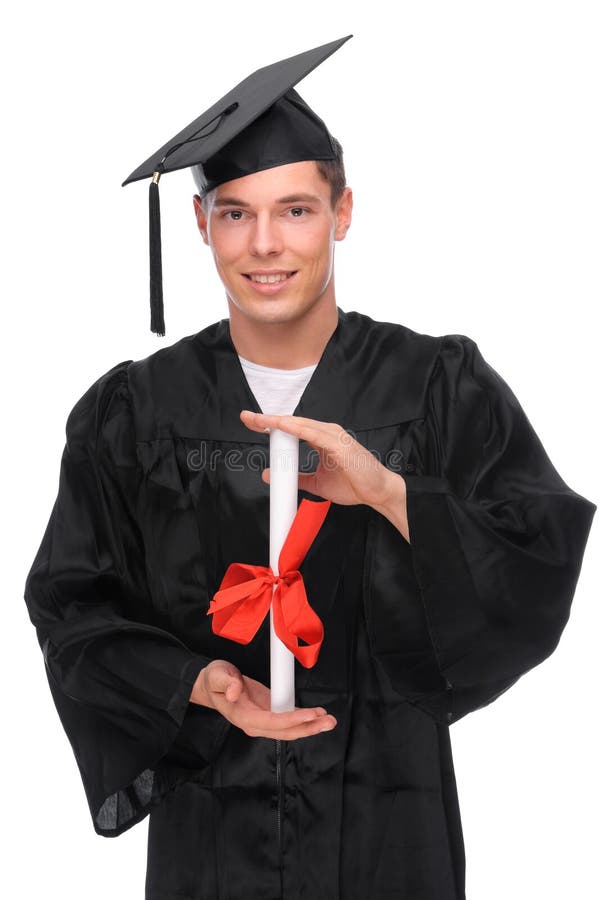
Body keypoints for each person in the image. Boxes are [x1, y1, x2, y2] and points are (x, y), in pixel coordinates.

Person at [23, 36, 596, 900]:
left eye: (294, 209)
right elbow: (71, 605)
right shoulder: (136, 410)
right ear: (200, 222)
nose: (264, 244)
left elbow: (534, 553)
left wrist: (389, 492)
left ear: (343, 212)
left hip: (388, 821)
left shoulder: (436, 384)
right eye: (235, 212)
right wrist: (196, 683)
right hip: (213, 825)